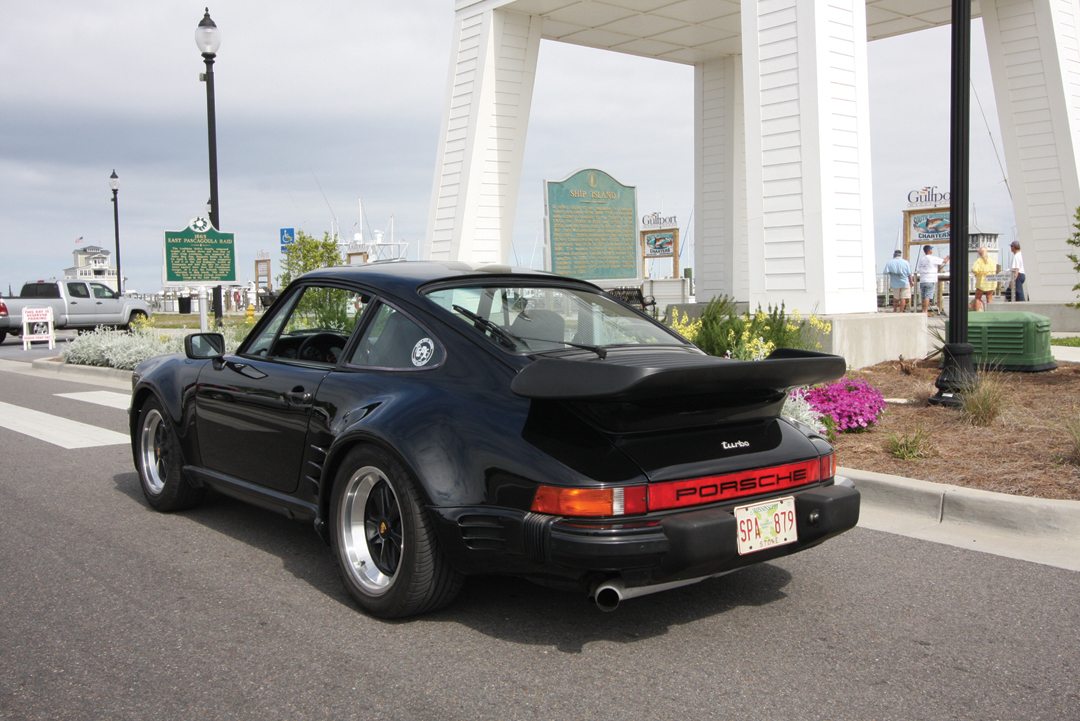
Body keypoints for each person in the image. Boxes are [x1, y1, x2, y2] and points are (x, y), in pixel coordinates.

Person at [914, 244, 949, 314]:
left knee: (923, 297)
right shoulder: (932, 258)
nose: (932, 250)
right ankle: (925, 311)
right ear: (929, 250)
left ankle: (923, 311)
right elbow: (944, 261)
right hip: (930, 280)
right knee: (927, 296)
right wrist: (949, 257)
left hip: (922, 280)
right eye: (931, 249)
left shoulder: (922, 259)